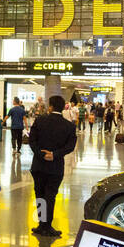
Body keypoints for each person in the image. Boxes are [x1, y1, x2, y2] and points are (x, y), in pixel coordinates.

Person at [27, 95, 78, 238]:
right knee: (51, 195)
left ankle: (41, 224)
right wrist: (54, 154)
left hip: (38, 165)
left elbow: (32, 140)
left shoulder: (40, 121)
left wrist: (41, 154)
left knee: (40, 194)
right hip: (55, 167)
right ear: (63, 108)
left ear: (50, 107)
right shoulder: (69, 126)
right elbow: (70, 146)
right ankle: (47, 226)